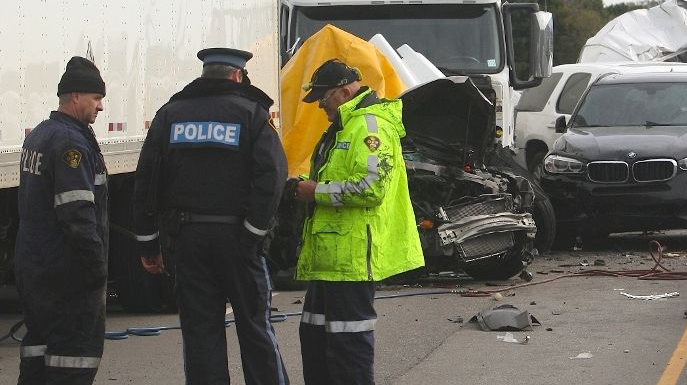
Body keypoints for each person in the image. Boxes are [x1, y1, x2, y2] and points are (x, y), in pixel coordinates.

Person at [133, 48, 289, 385]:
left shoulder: (170, 115)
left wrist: (148, 242)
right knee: (255, 328)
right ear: (237, 75)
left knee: (201, 333)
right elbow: (272, 175)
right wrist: (255, 231)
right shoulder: (252, 114)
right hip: (240, 241)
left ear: (206, 74)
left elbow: (146, 180)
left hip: (187, 241)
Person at [294, 58, 425, 385]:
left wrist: (315, 192)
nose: (320, 107)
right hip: (332, 258)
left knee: (347, 348)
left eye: (322, 99)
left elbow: (371, 188)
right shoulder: (345, 126)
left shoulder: (369, 126)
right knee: (315, 340)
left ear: (342, 91)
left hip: (351, 258)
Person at [15, 56, 109, 384]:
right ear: (75, 97)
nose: (100, 108)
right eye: (96, 99)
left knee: (37, 353)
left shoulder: (39, 135)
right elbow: (77, 215)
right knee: (73, 359)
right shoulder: (71, 143)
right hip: (67, 274)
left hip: (35, 268)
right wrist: (96, 268)